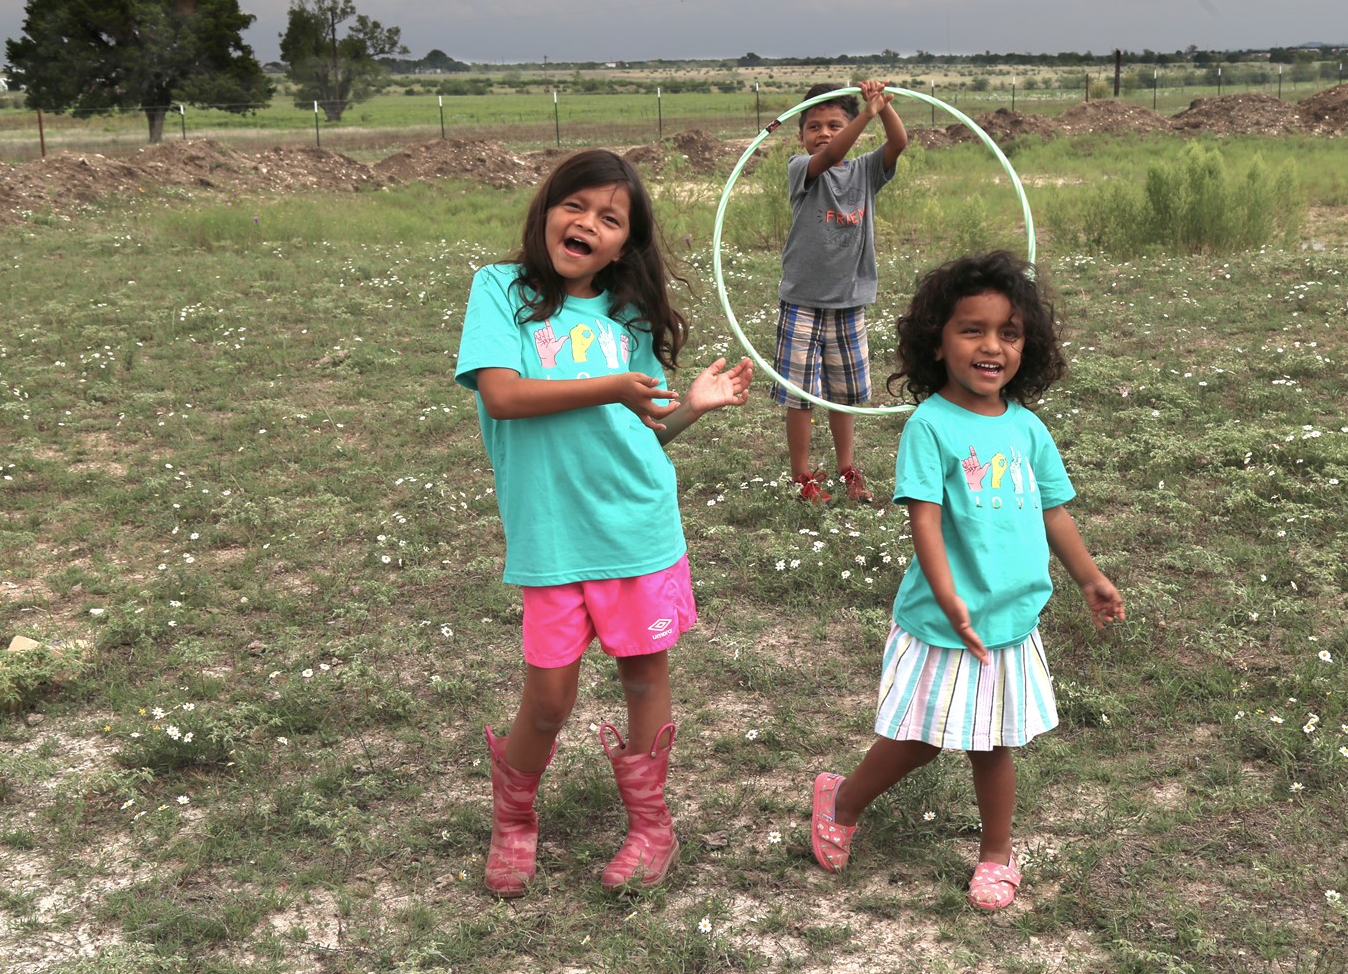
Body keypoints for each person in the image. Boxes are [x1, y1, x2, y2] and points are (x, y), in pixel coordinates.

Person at [455, 149, 754, 897]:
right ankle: (513, 821)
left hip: (637, 529)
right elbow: (503, 396)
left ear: (625, 245)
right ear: (547, 211)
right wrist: (613, 387)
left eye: (610, 218)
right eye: (575, 205)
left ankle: (652, 828)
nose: (587, 223)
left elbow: (641, 430)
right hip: (553, 537)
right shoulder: (501, 291)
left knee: (644, 680)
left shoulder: (628, 318)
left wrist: (691, 406)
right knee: (548, 700)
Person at [808, 250, 1126, 910]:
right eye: (972, 329)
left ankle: (996, 855)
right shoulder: (931, 426)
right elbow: (924, 519)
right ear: (937, 340)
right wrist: (948, 593)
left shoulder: (1027, 428)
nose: (991, 346)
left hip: (1009, 619)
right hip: (943, 620)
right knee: (918, 741)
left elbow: (1053, 511)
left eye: (1009, 333)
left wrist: (1090, 577)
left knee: (995, 745)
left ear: (1027, 347)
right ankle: (841, 801)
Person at [773, 78, 908, 505]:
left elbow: (899, 142)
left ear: (850, 127)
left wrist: (881, 106)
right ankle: (801, 476)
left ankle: (847, 467)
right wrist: (865, 115)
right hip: (803, 300)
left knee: (844, 396)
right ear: (800, 135)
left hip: (849, 302)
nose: (824, 134)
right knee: (801, 395)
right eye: (814, 126)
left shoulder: (866, 171)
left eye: (835, 125)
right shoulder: (801, 168)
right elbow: (832, 155)